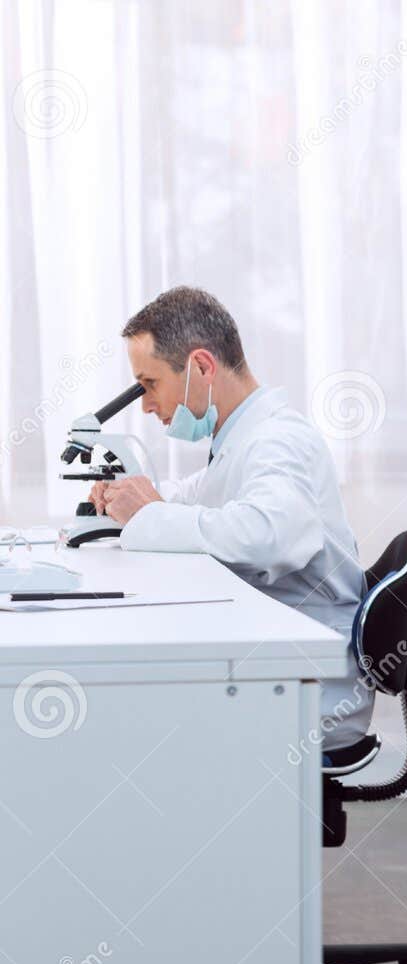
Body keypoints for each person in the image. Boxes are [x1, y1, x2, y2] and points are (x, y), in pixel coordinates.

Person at [96, 286, 373, 751]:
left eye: (149, 384)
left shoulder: (276, 440)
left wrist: (149, 514)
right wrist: (129, 498)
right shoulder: (242, 438)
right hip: (280, 659)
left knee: (126, 718)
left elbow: (267, 536)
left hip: (308, 683)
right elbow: (194, 499)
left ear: (202, 367)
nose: (145, 404)